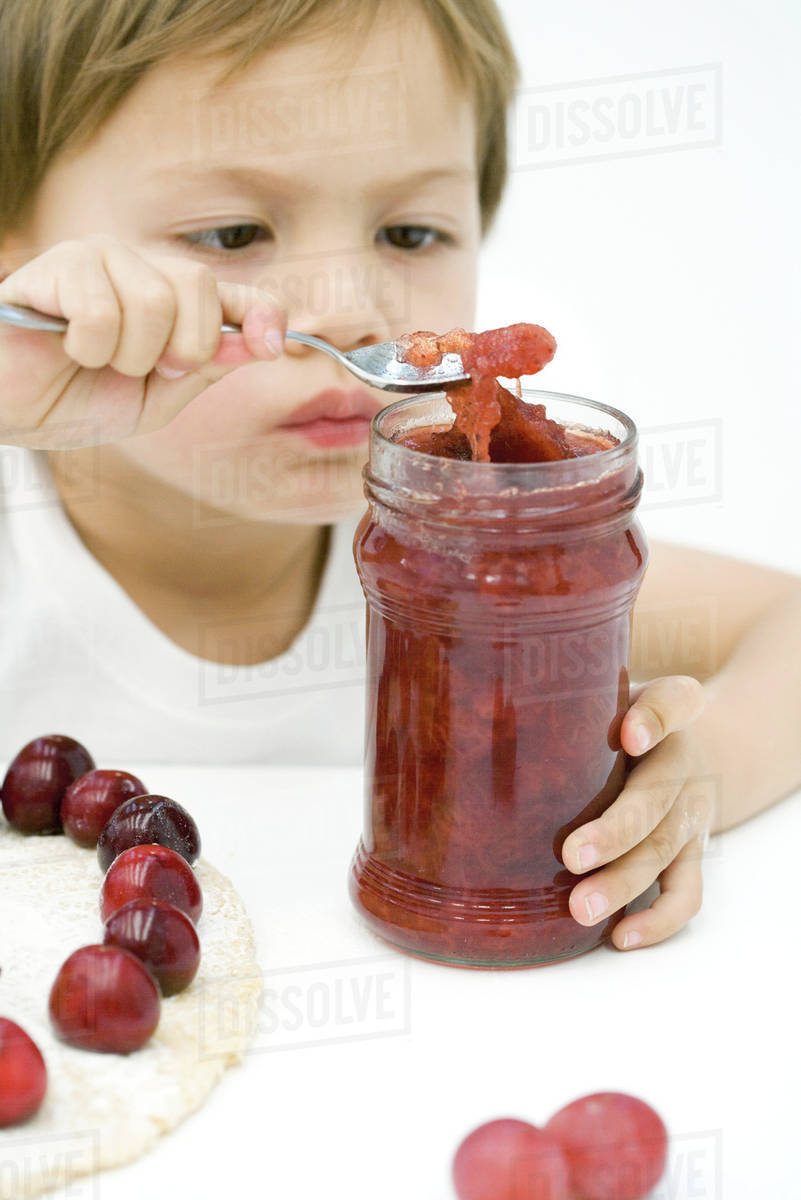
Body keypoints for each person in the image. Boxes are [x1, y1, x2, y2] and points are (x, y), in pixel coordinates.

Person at [0, 0, 798, 953]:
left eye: (410, 235)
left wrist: (700, 768)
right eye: (232, 234)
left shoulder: (466, 554)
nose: (349, 314)